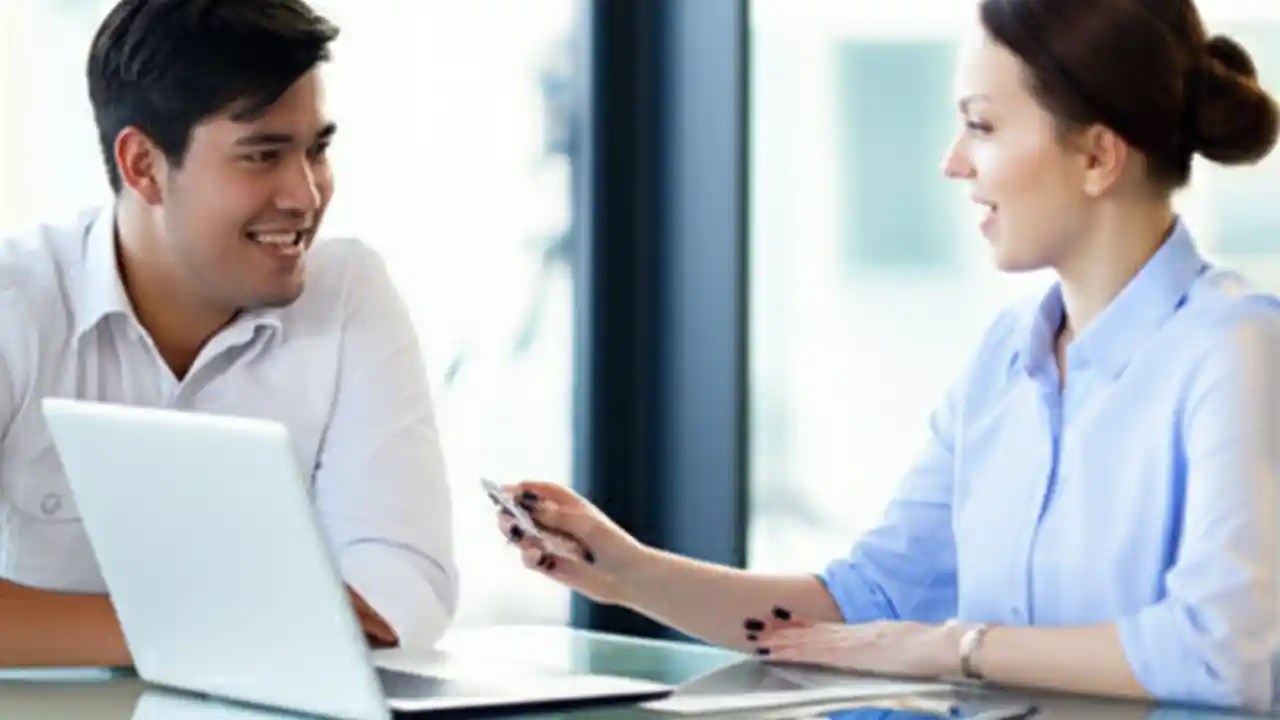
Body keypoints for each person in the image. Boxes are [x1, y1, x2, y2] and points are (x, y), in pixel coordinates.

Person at [496, 0, 1280, 710]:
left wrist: (954, 648)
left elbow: (1221, 652)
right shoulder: (1007, 359)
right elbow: (867, 607)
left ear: (1098, 157)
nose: (953, 162)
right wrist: (629, 571)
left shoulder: (1234, 348)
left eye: (982, 125)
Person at [0, 0, 457, 665]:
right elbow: (324, 625)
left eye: (317, 150)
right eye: (263, 155)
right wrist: (213, 630)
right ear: (144, 166)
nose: (305, 195)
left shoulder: (350, 294)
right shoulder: (18, 304)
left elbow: (407, 578)